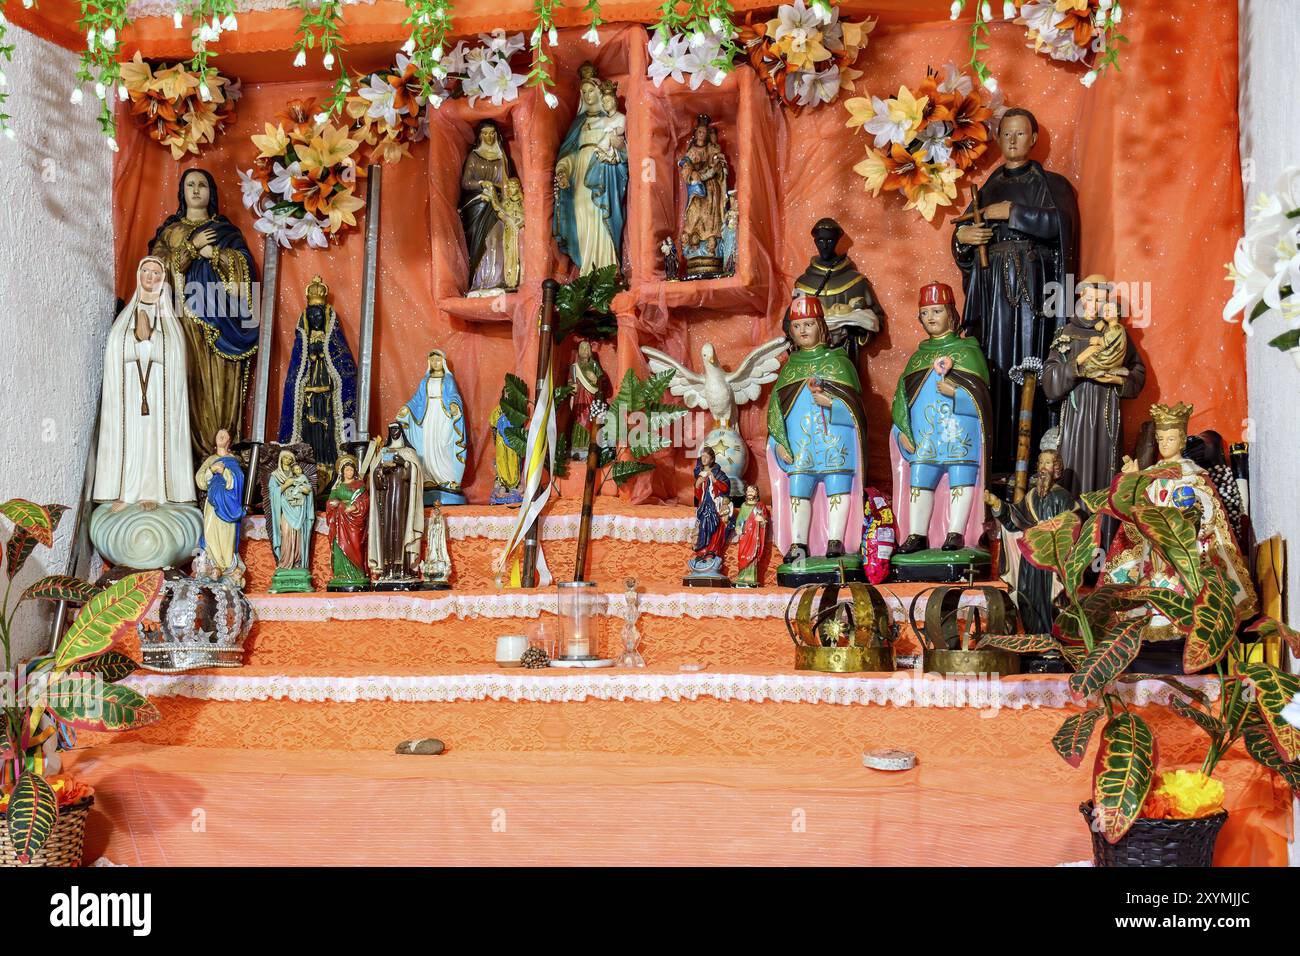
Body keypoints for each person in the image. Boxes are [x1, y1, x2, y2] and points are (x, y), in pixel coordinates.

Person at [952, 108, 1079, 476]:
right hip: (993, 293)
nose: (1012, 140)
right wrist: (963, 239)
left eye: (1020, 133)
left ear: (1034, 138)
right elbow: (965, 231)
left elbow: (1060, 226)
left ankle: (1035, 456)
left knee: (1030, 359)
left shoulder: (1052, 184)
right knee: (995, 361)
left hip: (1033, 289)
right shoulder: (989, 184)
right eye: (1006, 133)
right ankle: (997, 457)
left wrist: (1011, 212)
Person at [149, 167, 258, 459]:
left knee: (221, 387)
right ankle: (192, 457)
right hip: (185, 322)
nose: (196, 190)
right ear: (182, 193)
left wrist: (218, 255)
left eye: (202, 185)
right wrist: (191, 248)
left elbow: (245, 272)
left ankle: (223, 450)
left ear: (211, 192)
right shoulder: (170, 232)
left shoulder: (226, 232)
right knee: (192, 384)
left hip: (223, 322)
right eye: (190, 185)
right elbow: (154, 271)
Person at [767, 293, 869, 565]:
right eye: (798, 326)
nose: (803, 331)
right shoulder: (789, 369)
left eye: (809, 324)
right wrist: (779, 440)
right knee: (799, 492)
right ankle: (799, 542)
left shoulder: (839, 362)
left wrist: (832, 403)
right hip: (801, 447)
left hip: (835, 443)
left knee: (838, 490)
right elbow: (777, 407)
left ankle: (836, 539)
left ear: (821, 327)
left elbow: (857, 409)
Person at [890, 281, 992, 554]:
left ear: (951, 313)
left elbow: (983, 398)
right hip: (926, 437)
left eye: (937, 311)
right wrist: (904, 431)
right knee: (921, 479)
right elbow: (902, 398)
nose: (931, 317)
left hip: (960, 435)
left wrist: (956, 392)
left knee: (962, 479)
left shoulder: (968, 352)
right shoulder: (917, 358)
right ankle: (917, 534)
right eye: (925, 312)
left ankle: (957, 532)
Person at [93, 256, 195, 510]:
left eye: (156, 273)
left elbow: (174, 355)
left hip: (159, 398)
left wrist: (151, 338)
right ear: (138, 275)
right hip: (130, 397)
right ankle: (126, 492)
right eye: (145, 272)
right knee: (130, 441)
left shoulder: (170, 321)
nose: (150, 277)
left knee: (152, 441)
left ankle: (153, 492)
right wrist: (134, 338)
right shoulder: (125, 319)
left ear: (164, 280)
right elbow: (116, 350)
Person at [1041, 275, 1146, 498]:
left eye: (1102, 300)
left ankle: (1101, 528)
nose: (1096, 305)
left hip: (1104, 413)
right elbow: (1049, 379)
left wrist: (1118, 381)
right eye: (1092, 299)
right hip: (1075, 417)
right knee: (1072, 469)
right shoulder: (1067, 333)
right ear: (1082, 298)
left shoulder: (1115, 333)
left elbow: (1138, 374)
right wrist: (1075, 367)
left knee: (1105, 469)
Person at [277, 275, 358, 493]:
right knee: (310, 432)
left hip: (328, 400)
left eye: (318, 314)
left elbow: (346, 371)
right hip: (309, 400)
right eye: (311, 315)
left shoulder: (333, 341)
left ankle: (330, 471)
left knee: (327, 435)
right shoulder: (302, 341)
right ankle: (309, 471)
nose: (315, 319)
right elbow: (295, 375)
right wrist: (310, 355)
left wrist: (323, 355)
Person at [987, 445, 1079, 633]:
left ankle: (1051, 638)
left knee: (1049, 601)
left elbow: (1073, 523)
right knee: (1026, 597)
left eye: (1049, 463)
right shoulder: (1030, 497)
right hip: (1030, 560)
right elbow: (1015, 519)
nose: (1044, 467)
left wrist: (1051, 529)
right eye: (1041, 462)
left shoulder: (1063, 497)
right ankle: (1033, 635)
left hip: (1051, 559)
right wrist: (997, 504)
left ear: (1057, 469)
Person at [553, 64, 627, 276]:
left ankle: (608, 267)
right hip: (580, 179)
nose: (587, 95)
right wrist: (563, 169)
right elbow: (570, 154)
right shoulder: (578, 124)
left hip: (604, 174)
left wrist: (618, 148)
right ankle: (588, 269)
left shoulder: (612, 120)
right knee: (583, 218)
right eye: (583, 92)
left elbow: (623, 150)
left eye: (591, 90)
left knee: (602, 215)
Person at [395, 349, 467, 503]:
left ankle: (447, 478)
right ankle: (429, 478)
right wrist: (407, 408)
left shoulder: (448, 379)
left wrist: (454, 404)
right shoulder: (425, 380)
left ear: (443, 362)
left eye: (438, 360)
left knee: (443, 445)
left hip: (444, 416)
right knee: (428, 447)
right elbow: (417, 399)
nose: (435, 363)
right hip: (429, 417)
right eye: (432, 360)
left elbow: (454, 395)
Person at [366, 422, 426, 586]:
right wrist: (380, 471)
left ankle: (404, 570)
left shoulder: (408, 452)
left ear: (401, 432)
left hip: (403, 499)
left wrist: (404, 464)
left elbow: (417, 474)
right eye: (391, 429)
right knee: (387, 531)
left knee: (400, 530)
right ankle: (388, 570)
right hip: (386, 499)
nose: (394, 432)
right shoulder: (384, 451)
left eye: (396, 429)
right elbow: (374, 475)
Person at [460, 121, 516, 295]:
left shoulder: (501, 158)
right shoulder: (474, 156)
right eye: (485, 133)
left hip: (497, 205)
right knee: (481, 240)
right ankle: (479, 281)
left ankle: (497, 279)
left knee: (498, 236)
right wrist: (482, 183)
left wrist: (499, 193)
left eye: (492, 133)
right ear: (479, 136)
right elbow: (465, 182)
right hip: (478, 204)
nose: (489, 137)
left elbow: (506, 185)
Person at [194, 428, 245, 582]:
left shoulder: (234, 460)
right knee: (210, 533)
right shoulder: (210, 460)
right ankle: (213, 567)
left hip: (229, 505)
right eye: (218, 435)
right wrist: (211, 469)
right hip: (213, 504)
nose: (221, 437)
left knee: (226, 536)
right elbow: (200, 481)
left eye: (225, 435)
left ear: (230, 440)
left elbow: (239, 479)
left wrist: (225, 472)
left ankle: (228, 569)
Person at [324, 453, 369, 590]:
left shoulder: (360, 485)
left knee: (355, 545)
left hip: (354, 521)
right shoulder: (337, 487)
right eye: (346, 470)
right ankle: (341, 574)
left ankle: (357, 573)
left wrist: (355, 506)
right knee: (339, 547)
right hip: (340, 522)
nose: (348, 472)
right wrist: (335, 505)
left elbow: (366, 501)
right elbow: (330, 503)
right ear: (342, 472)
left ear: (354, 471)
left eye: (351, 470)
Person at [733, 484, 770, 588]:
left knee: (752, 554)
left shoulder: (760, 506)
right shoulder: (744, 505)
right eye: (748, 491)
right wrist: (738, 527)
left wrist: (762, 520)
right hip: (745, 534)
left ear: (757, 493)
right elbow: (740, 519)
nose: (750, 493)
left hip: (754, 534)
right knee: (742, 554)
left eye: (752, 491)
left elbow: (764, 519)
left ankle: (751, 577)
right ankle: (742, 576)